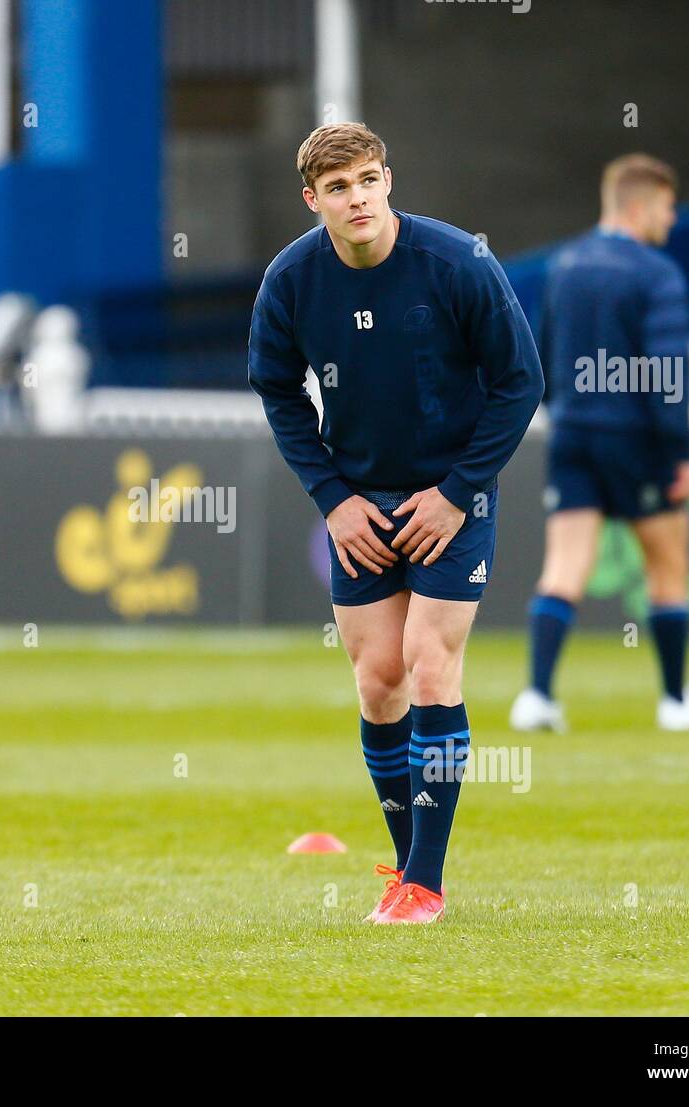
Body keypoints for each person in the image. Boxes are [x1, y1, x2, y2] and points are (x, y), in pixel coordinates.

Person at [248, 122, 543, 924]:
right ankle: (407, 868)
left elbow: (522, 381)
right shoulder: (291, 281)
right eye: (339, 188)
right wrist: (334, 499)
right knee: (379, 679)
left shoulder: (456, 262)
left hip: (454, 496)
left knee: (430, 665)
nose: (359, 197)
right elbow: (277, 390)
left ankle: (425, 884)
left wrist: (457, 490)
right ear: (314, 201)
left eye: (370, 179)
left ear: (388, 181)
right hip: (361, 504)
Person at [509, 154, 689, 734]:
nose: (672, 215)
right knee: (669, 567)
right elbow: (667, 371)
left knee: (563, 568)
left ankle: (537, 695)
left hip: (573, 435)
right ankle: (677, 700)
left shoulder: (565, 264)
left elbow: (540, 356)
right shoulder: (656, 273)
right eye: (665, 204)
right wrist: (680, 452)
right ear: (638, 206)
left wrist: (566, 414)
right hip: (637, 440)